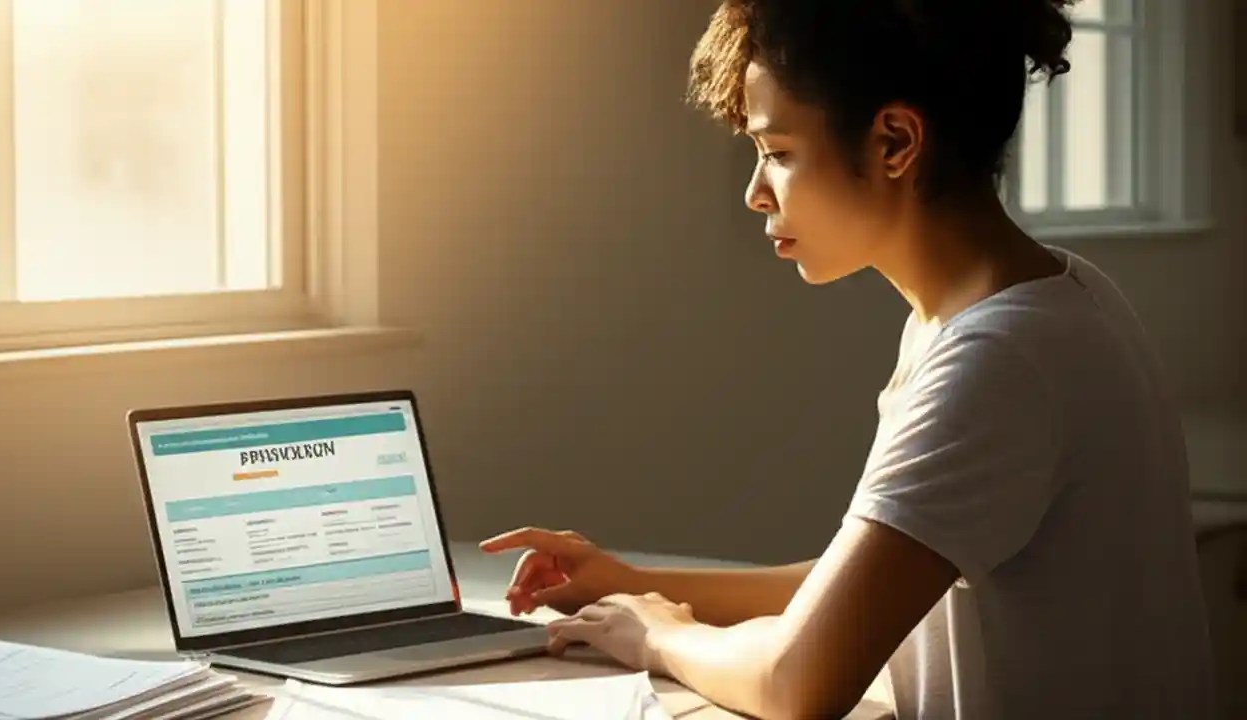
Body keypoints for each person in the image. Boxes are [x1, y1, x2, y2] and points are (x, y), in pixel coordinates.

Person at [480, 1, 1215, 718]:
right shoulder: (1039, 301)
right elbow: (863, 590)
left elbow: (798, 685)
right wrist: (637, 583)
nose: (755, 193)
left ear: (895, 141)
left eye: (779, 153)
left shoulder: (1000, 358)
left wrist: (660, 635)